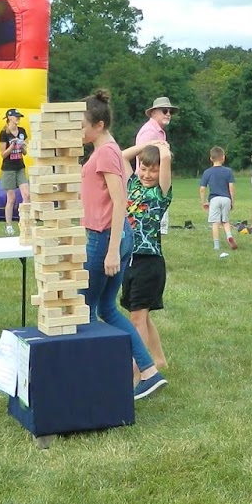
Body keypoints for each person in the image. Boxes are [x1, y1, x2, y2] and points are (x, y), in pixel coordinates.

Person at [81, 89, 167, 400]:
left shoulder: (105, 152)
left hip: (105, 237)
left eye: (82, 125)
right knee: (107, 308)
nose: (79, 131)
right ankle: (148, 370)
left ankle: (95, 381)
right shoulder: (110, 148)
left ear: (99, 125)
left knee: (85, 309)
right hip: (112, 236)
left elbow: (120, 202)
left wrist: (112, 249)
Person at [120, 139, 173, 370]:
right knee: (142, 316)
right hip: (129, 259)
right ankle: (159, 360)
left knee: (137, 319)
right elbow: (122, 157)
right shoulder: (132, 184)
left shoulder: (161, 193)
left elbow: (167, 158)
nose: (148, 174)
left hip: (149, 262)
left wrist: (162, 148)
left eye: (154, 169)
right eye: (144, 168)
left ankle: (140, 369)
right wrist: (147, 145)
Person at [136, 95, 175, 233]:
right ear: (153, 113)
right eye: (165, 111)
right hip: (148, 185)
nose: (168, 114)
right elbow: (142, 156)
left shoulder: (159, 131)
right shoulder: (149, 131)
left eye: (170, 111)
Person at [199, 146, 237, 256]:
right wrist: (232, 201)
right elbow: (231, 187)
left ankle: (216, 245)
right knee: (225, 221)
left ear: (211, 158)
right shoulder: (228, 171)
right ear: (223, 157)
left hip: (214, 199)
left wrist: (204, 202)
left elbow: (202, 189)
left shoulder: (207, 172)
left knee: (215, 223)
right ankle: (229, 236)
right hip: (226, 198)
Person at [0, 108, 30, 234]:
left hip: (20, 167)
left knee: (26, 195)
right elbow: (3, 154)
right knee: (11, 198)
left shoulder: (22, 131)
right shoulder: (4, 133)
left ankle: (25, 222)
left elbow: (25, 152)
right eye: (16, 117)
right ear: (9, 118)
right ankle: (8, 225)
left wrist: (22, 146)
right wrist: (12, 145)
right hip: (8, 169)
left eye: (19, 117)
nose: (18, 119)